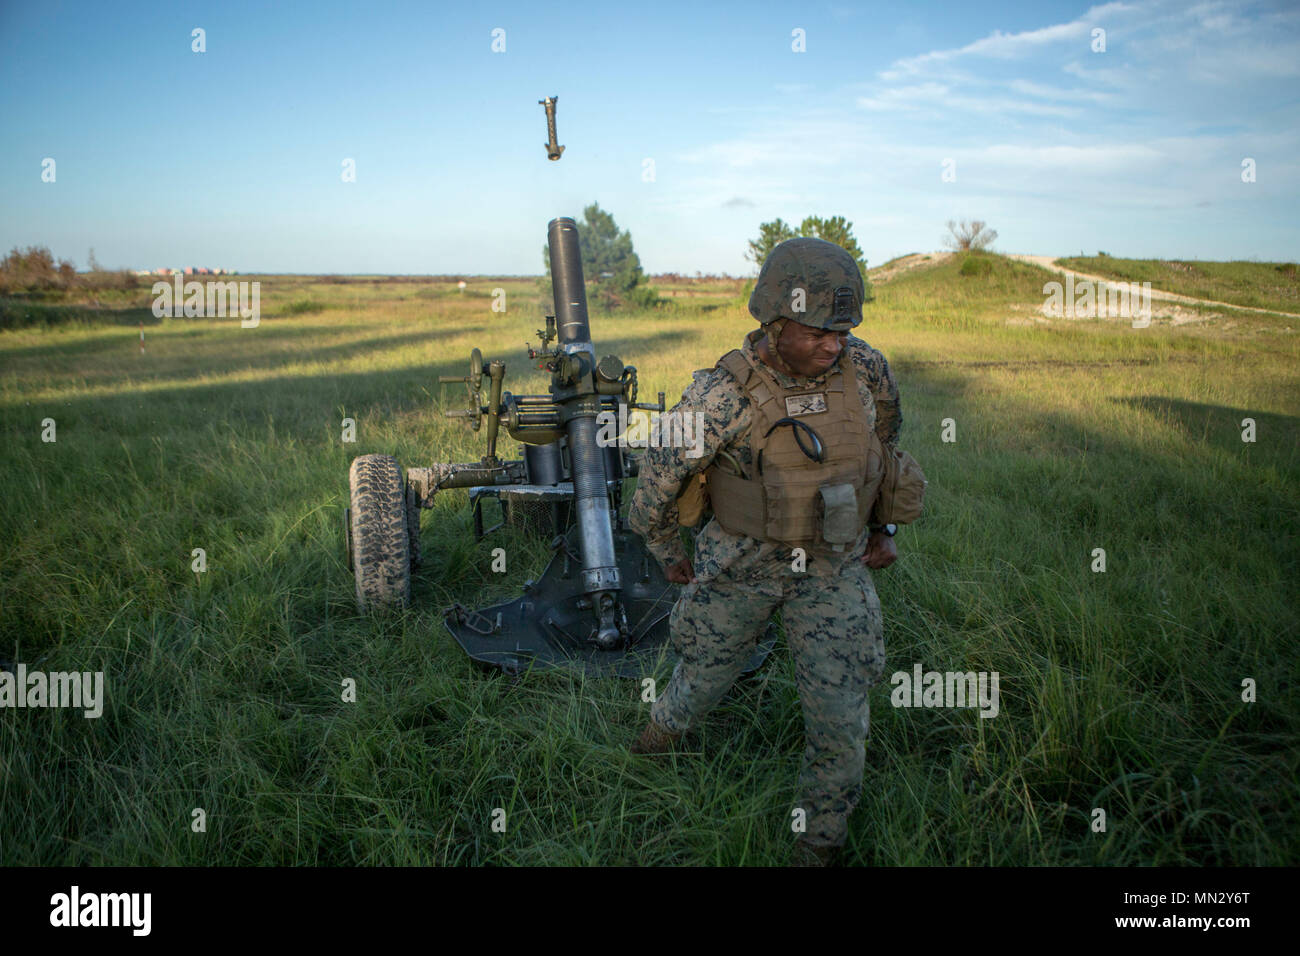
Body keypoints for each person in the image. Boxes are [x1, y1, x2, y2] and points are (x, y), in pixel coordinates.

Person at [626, 236, 905, 867]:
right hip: (741, 567)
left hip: (832, 568)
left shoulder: (865, 369)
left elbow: (884, 451)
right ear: (775, 322)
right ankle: (650, 749)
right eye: (818, 333)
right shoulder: (718, 395)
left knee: (841, 712)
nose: (835, 345)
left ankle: (820, 844)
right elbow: (658, 480)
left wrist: (886, 528)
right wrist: (668, 549)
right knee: (700, 677)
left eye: (845, 329)